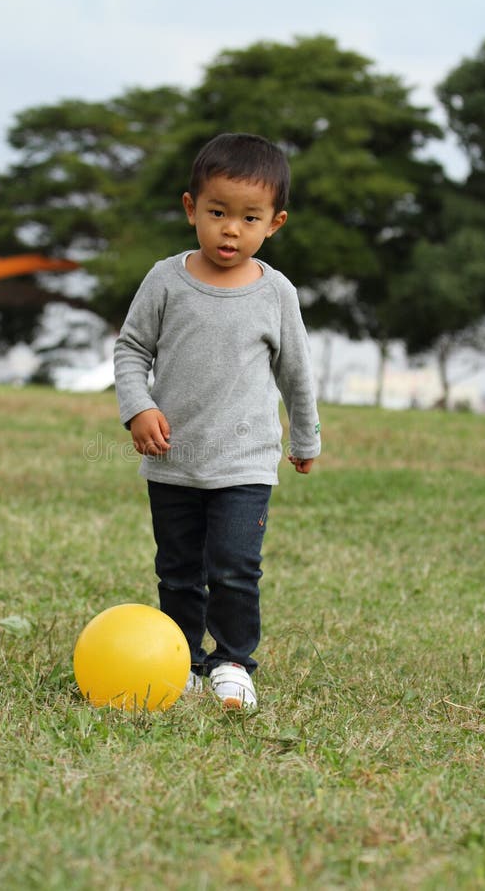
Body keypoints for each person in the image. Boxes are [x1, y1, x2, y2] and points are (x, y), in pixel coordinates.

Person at [114, 132, 321, 708]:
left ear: (274, 223)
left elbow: (296, 374)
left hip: (245, 462)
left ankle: (232, 663)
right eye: (218, 212)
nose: (231, 229)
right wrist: (138, 407)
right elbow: (131, 350)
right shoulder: (165, 280)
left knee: (233, 569)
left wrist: (305, 435)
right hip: (173, 463)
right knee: (178, 572)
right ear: (191, 210)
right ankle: (180, 659)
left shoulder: (276, 293)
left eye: (249, 217)